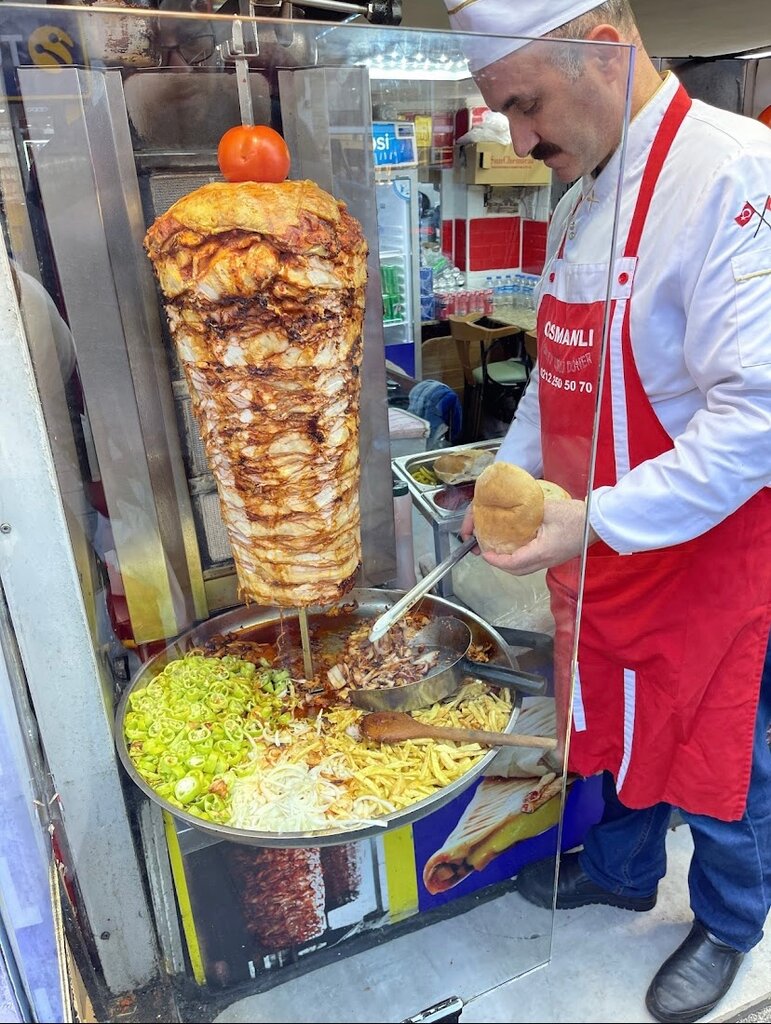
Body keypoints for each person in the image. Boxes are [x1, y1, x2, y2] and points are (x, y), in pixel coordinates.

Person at [445, 2, 771, 1022]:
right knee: (612, 718)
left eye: (524, 106)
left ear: (597, 45)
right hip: (601, 545)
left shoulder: (732, 172)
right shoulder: (585, 194)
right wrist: (498, 485)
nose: (519, 140)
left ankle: (729, 919)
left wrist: (591, 518)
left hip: (707, 551)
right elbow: (559, 376)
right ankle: (625, 872)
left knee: (724, 755)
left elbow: (756, 416)